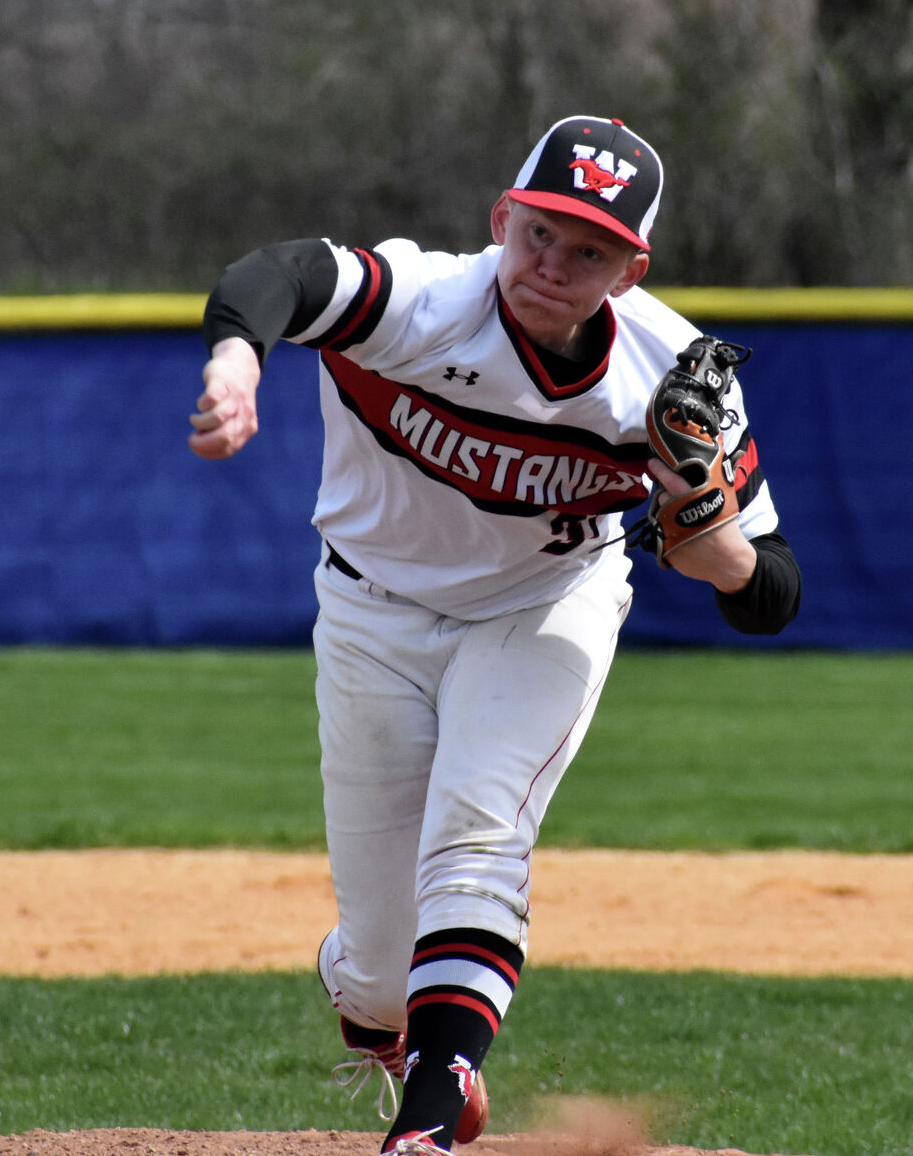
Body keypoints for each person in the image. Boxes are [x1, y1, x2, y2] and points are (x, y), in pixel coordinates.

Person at [186, 115, 801, 1156]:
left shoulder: (671, 374)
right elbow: (277, 272)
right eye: (539, 233)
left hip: (542, 604)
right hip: (371, 608)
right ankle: (407, 1038)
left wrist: (719, 554)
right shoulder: (424, 300)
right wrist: (240, 359)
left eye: (589, 249)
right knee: (378, 972)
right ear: (501, 218)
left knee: (479, 828)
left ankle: (429, 1111)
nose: (552, 264)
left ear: (629, 266)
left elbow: (771, 587)